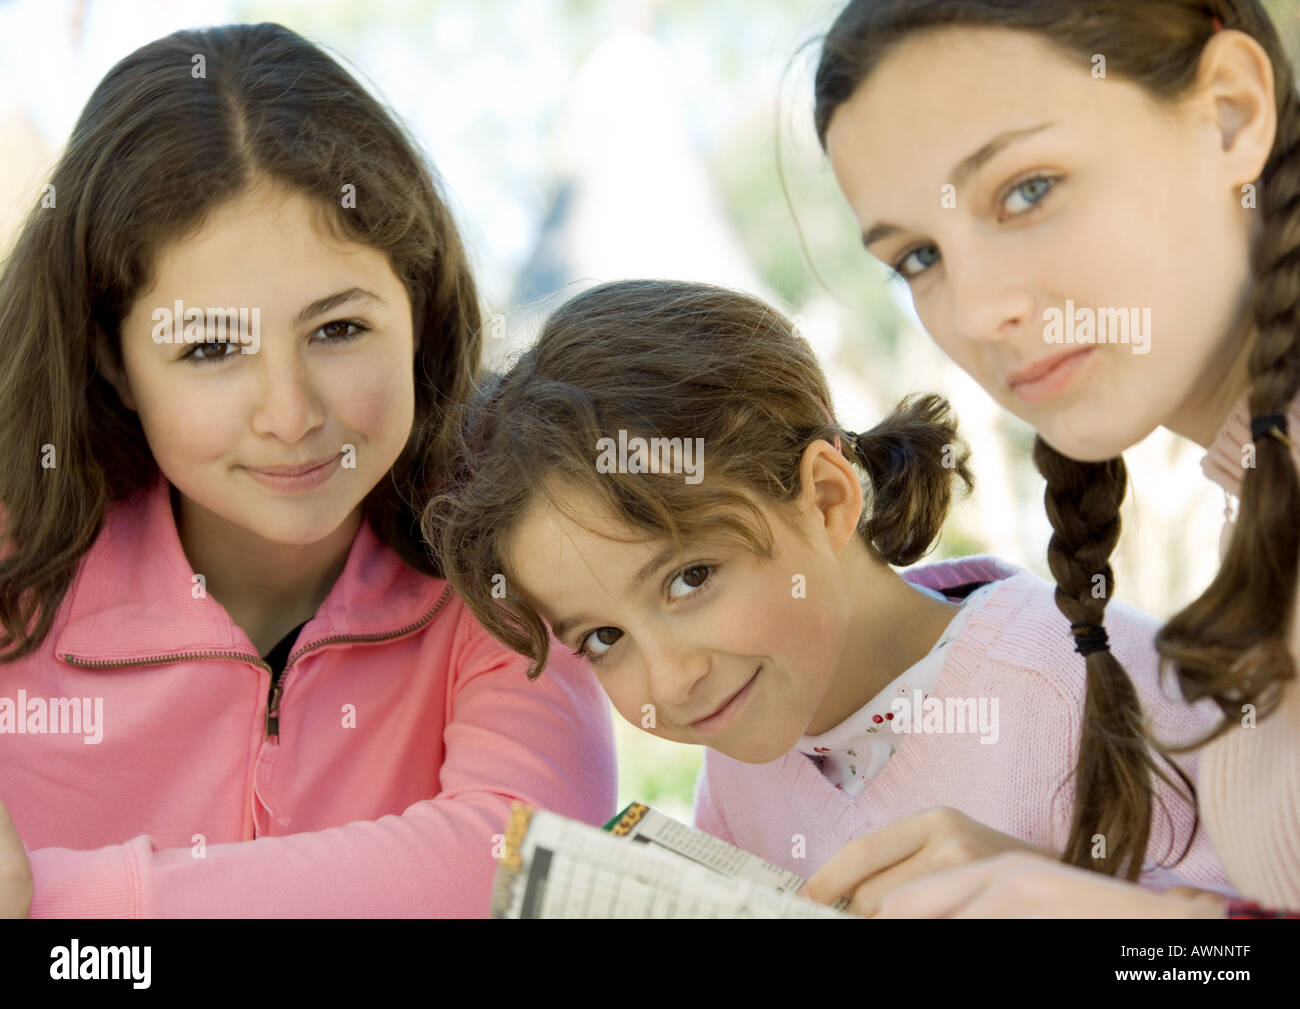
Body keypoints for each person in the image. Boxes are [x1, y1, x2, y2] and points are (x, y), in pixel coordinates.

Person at [0, 22, 616, 918]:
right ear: (111, 360)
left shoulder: (513, 551)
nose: (290, 414)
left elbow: (520, 868)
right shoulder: (17, 552)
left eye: (338, 329)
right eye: (211, 348)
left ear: (420, 310)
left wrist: (54, 901)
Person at [427, 278, 1230, 918]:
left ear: (825, 498)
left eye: (689, 578)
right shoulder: (742, 773)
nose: (669, 680)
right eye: (603, 637)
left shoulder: (1084, 683)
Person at [815, 0, 1300, 915]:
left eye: (1027, 189)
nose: (976, 308)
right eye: (919, 256)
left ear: (1231, 113)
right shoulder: (1265, 483)